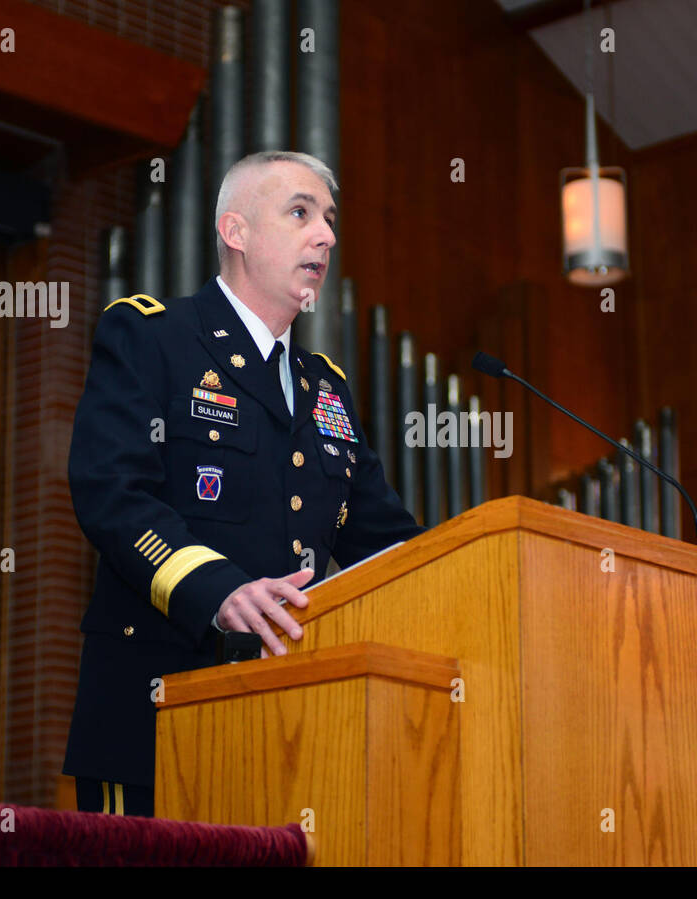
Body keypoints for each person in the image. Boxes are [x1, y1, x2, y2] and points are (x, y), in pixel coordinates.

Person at [63, 151, 426, 816]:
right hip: (156, 714)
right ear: (236, 231)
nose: (326, 235)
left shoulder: (329, 389)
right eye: (300, 212)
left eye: (330, 219)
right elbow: (111, 493)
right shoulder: (154, 337)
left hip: (293, 730)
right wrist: (217, 586)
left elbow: (390, 547)